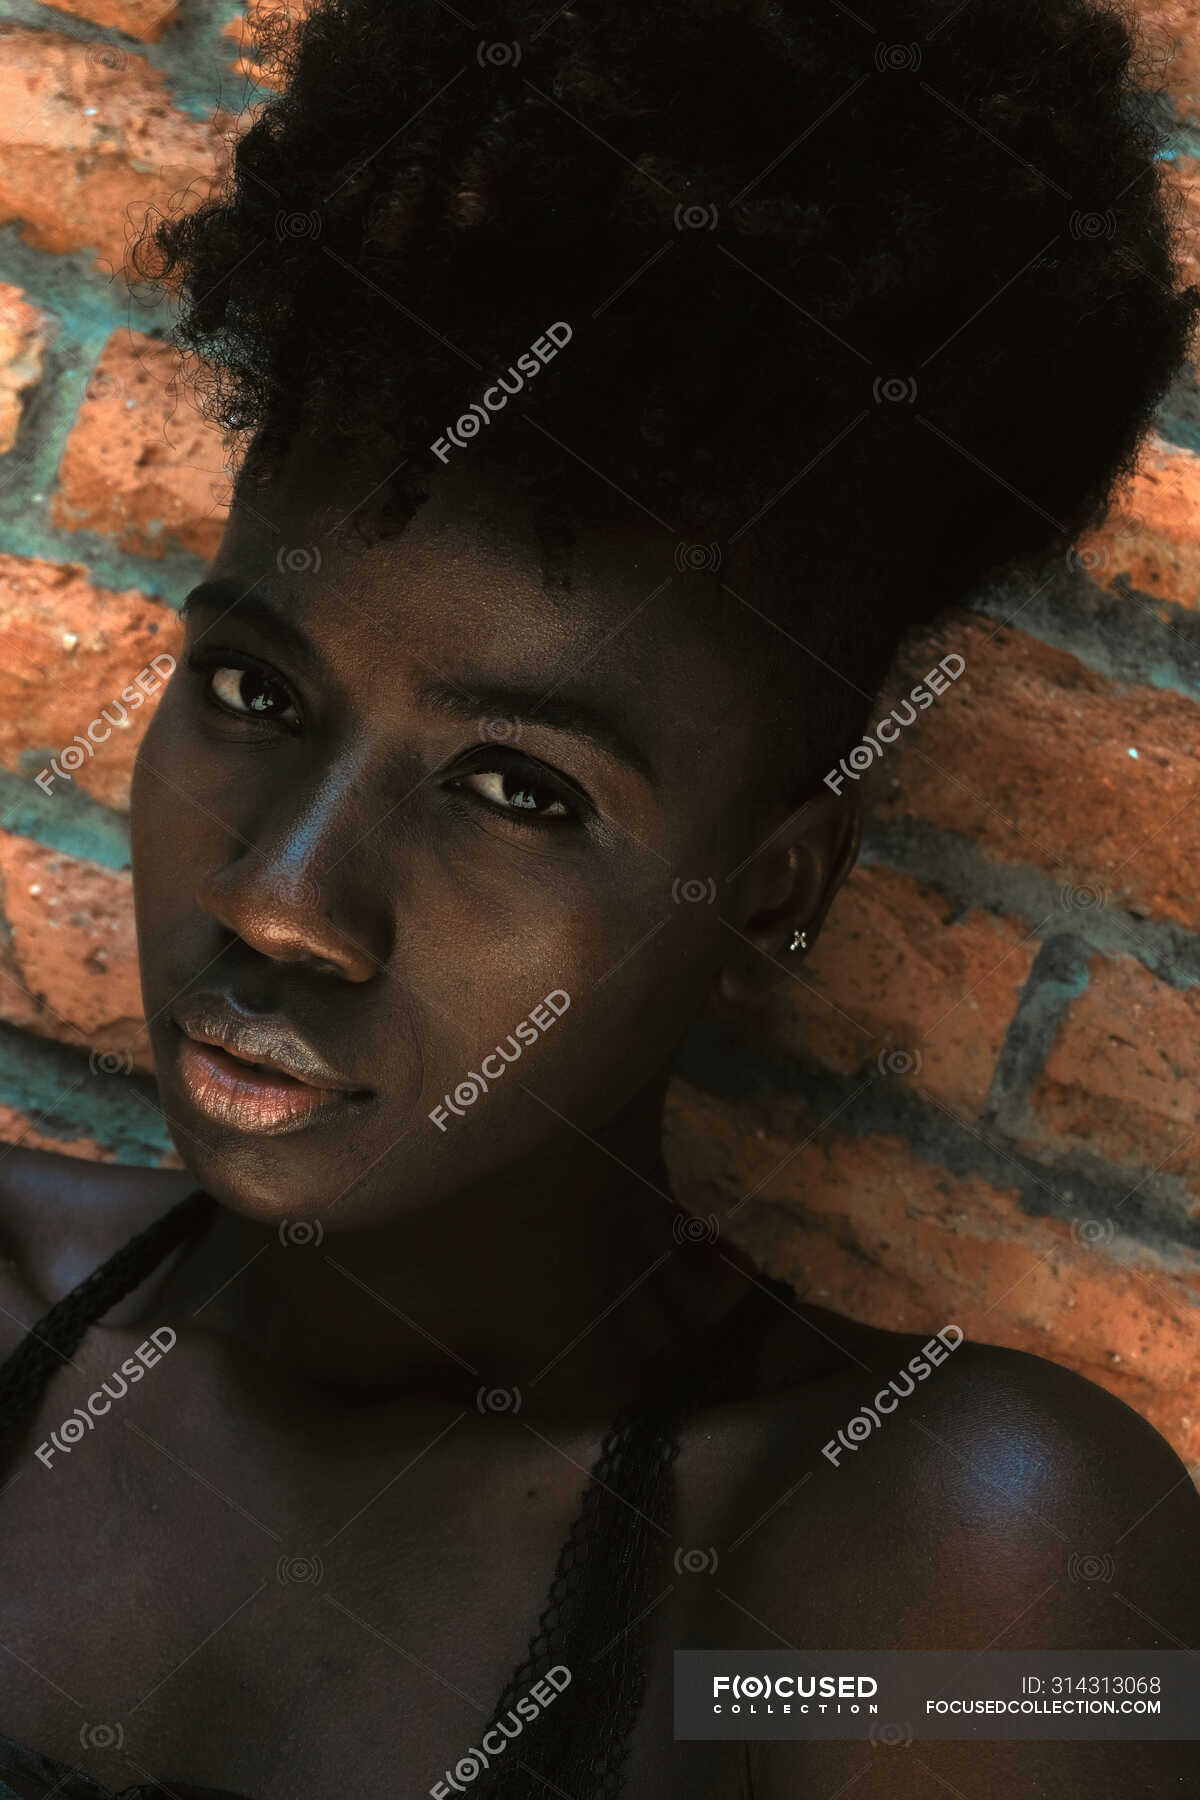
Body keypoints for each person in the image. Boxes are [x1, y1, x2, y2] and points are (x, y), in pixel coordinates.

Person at [0, 0, 1197, 1795]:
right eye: (256, 694)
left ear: (772, 882)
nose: (282, 906)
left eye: (518, 792)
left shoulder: (928, 1581)